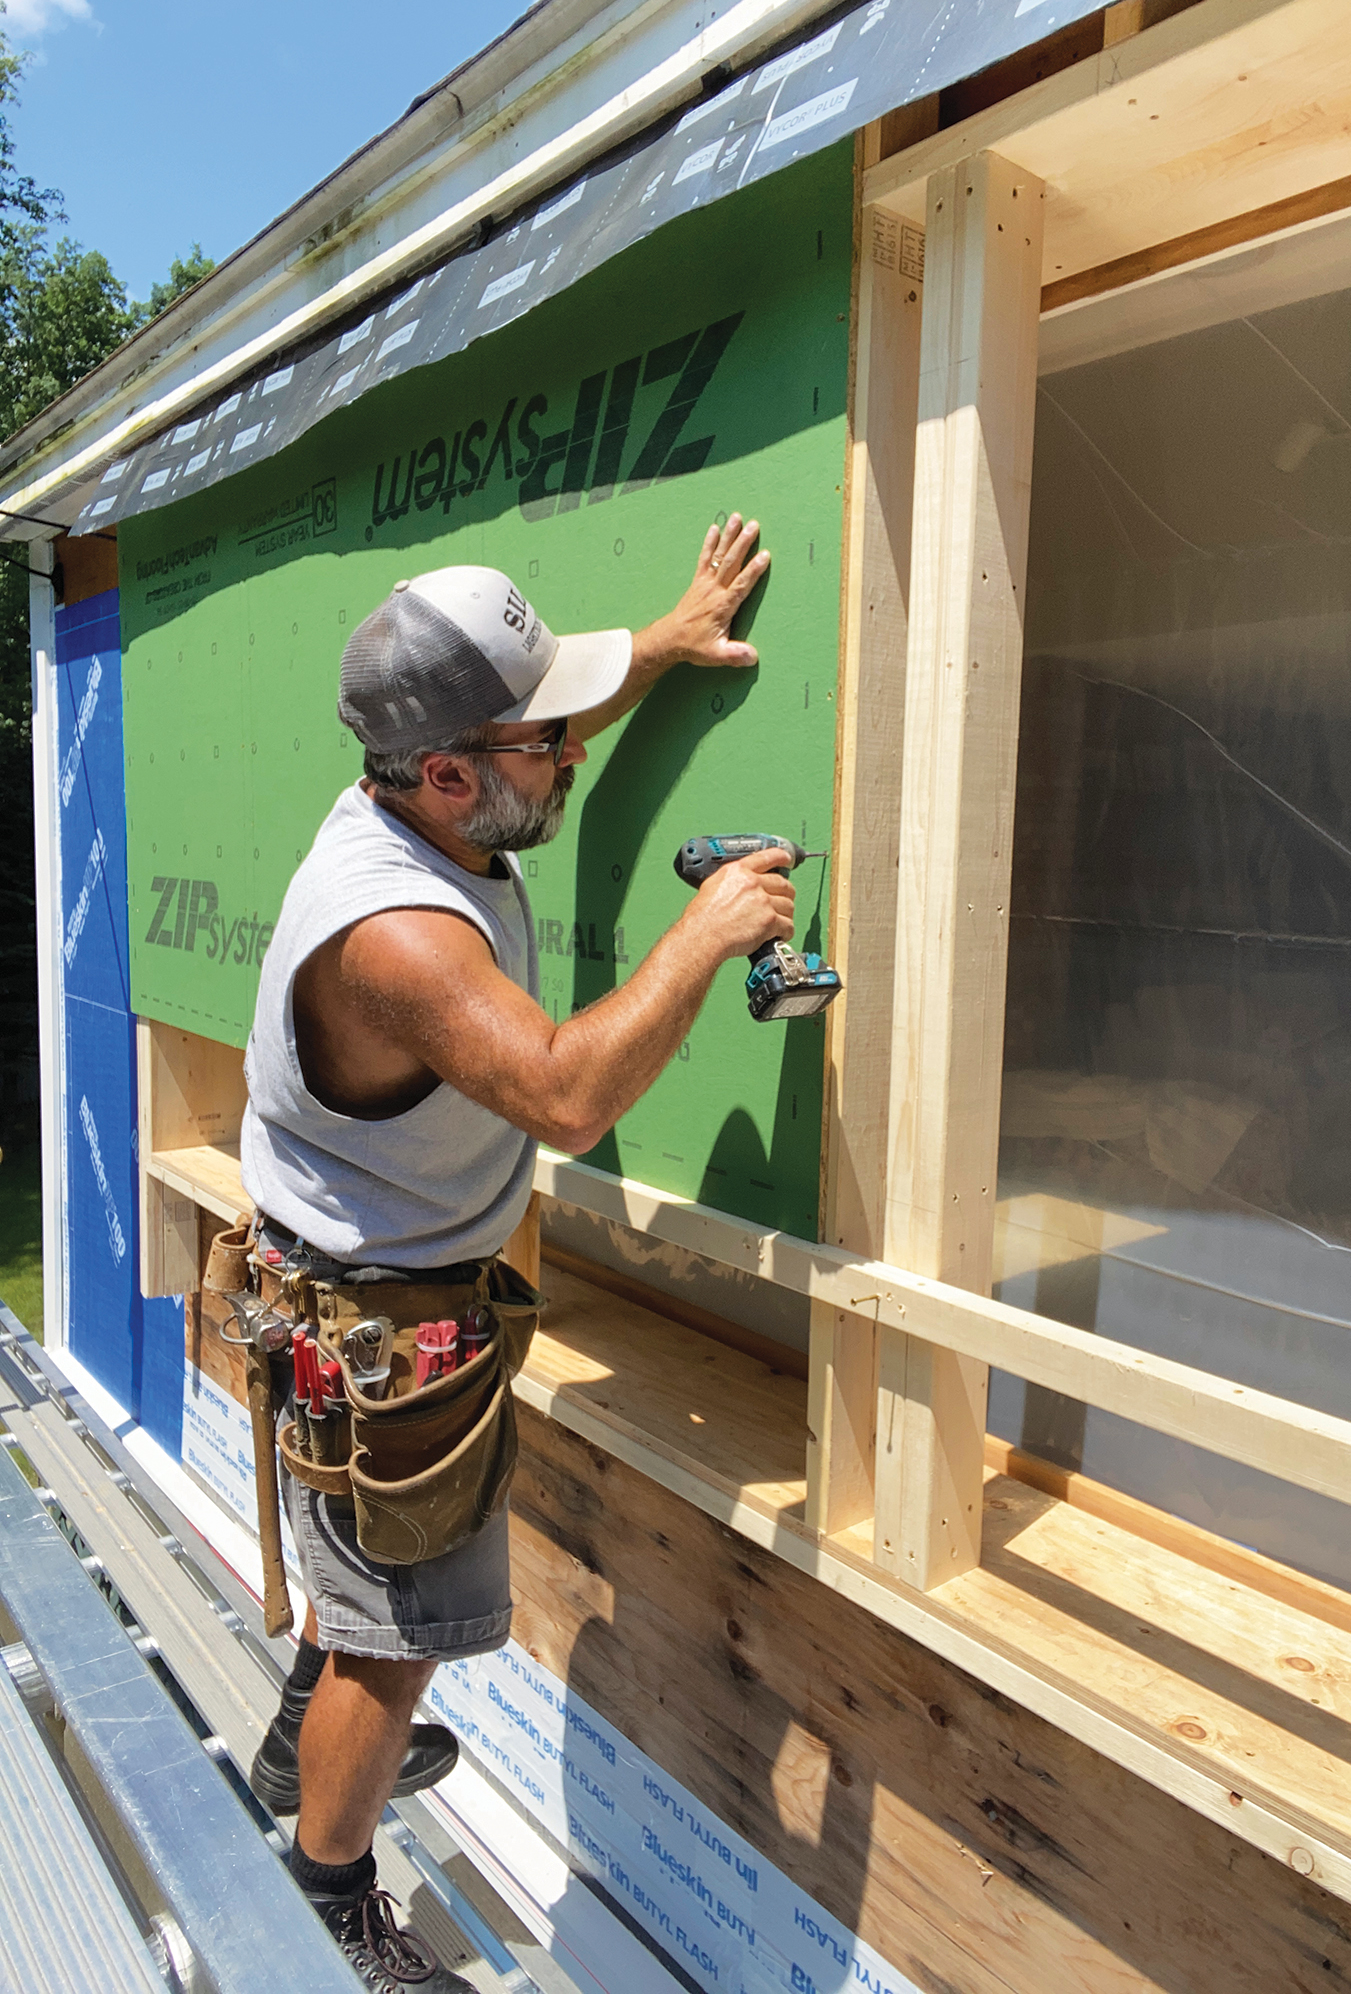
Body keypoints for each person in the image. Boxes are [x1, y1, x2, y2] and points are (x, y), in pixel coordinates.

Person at [240, 517, 795, 1991]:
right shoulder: (399, 938)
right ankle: (325, 1894)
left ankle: (306, 1742)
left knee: (362, 1583)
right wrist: (708, 932)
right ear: (447, 776)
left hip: (369, 1278)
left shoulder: (426, 793)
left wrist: (664, 643)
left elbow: (537, 717)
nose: (575, 756)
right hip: (382, 1333)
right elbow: (562, 1089)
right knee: (395, 1635)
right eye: (544, 743)